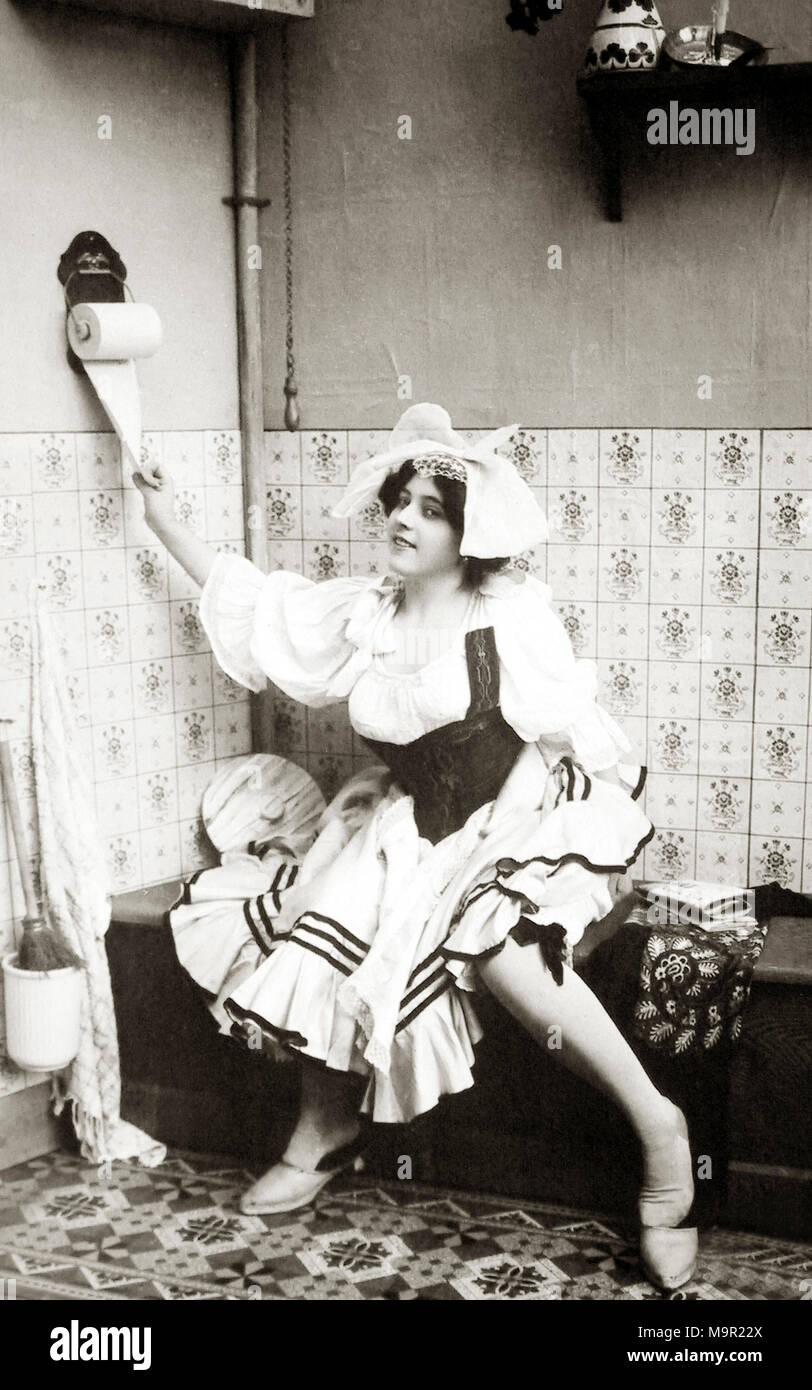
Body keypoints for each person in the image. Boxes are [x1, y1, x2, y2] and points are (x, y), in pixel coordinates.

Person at [133, 403, 697, 1292]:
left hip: (520, 812)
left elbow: (565, 742)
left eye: (431, 509)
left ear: (469, 533)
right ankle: (326, 1131)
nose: (403, 518)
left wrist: (521, 846)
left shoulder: (508, 617)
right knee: (330, 908)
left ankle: (661, 1133)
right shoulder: (369, 614)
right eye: (401, 500)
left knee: (503, 950)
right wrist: (165, 517)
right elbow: (260, 606)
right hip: (411, 818)